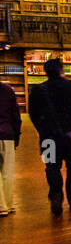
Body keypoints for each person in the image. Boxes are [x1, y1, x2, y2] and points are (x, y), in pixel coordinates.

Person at [27, 58, 71, 215]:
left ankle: (55, 194)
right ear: (62, 70)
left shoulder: (38, 90)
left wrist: (42, 129)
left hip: (48, 137)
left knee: (51, 167)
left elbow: (33, 114)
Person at [0, 79, 20, 215]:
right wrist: (16, 137)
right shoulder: (8, 90)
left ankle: (1, 206)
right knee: (7, 172)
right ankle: (8, 204)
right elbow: (16, 117)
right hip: (7, 134)